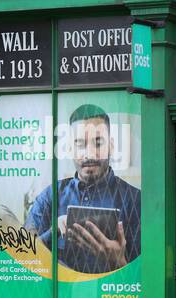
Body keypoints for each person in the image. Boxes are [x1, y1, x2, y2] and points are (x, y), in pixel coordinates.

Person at [26, 103, 141, 274]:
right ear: (70, 149)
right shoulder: (50, 197)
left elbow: (149, 276)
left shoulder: (135, 200)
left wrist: (119, 262)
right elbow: (22, 257)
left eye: (98, 143)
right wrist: (53, 232)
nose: (89, 154)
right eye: (80, 144)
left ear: (111, 146)